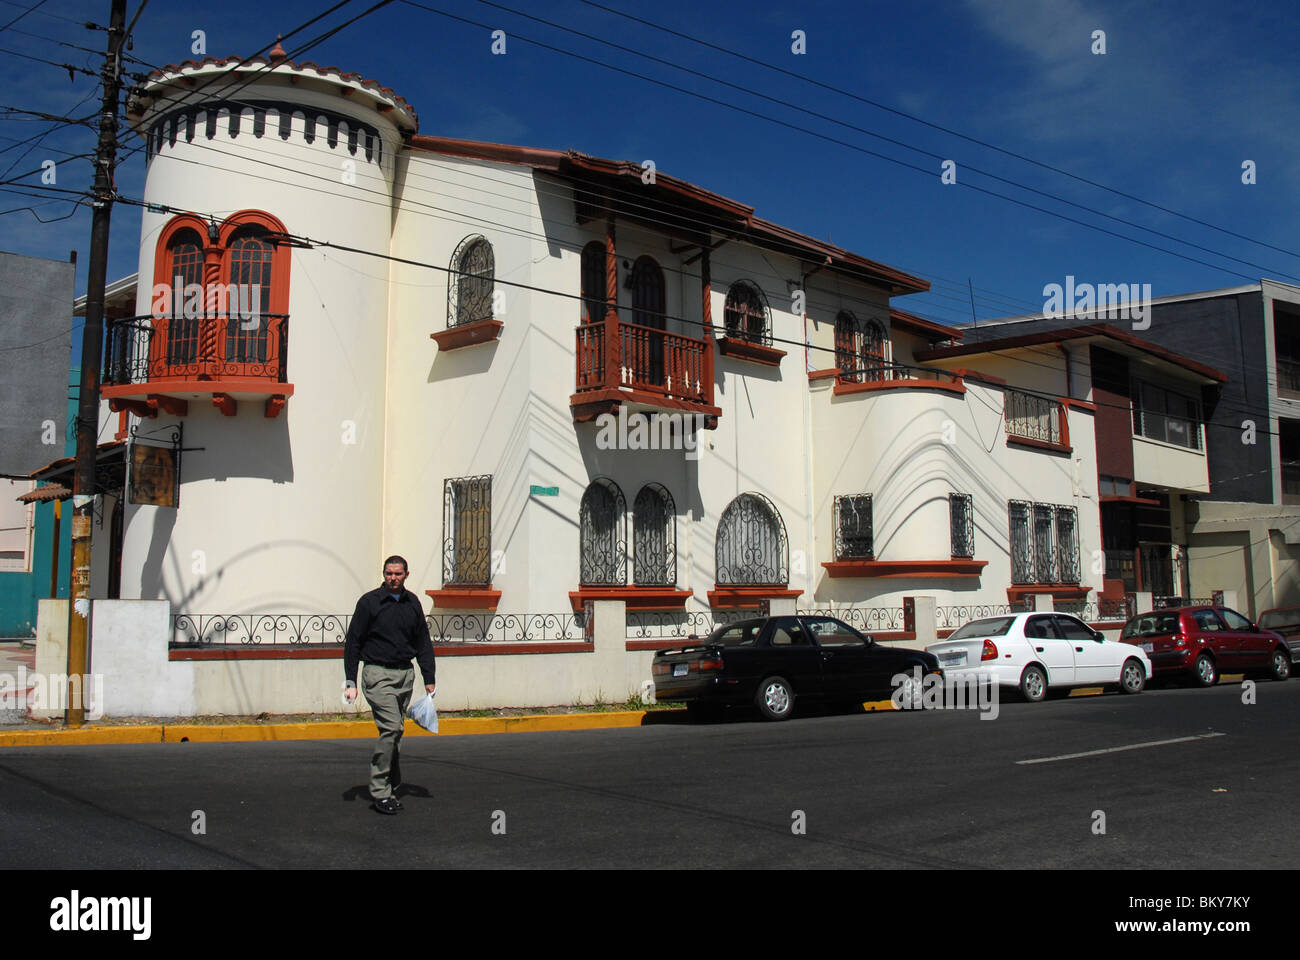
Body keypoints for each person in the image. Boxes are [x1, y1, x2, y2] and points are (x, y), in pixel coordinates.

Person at [343, 555, 437, 815]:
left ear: (407, 574)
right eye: (388, 573)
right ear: (383, 574)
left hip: (404, 675)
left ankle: (392, 781)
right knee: (392, 728)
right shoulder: (369, 603)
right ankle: (380, 791)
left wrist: (429, 678)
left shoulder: (412, 603)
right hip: (377, 674)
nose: (393, 578)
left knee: (396, 733)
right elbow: (353, 643)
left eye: (397, 574)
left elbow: (423, 642)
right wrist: (350, 680)